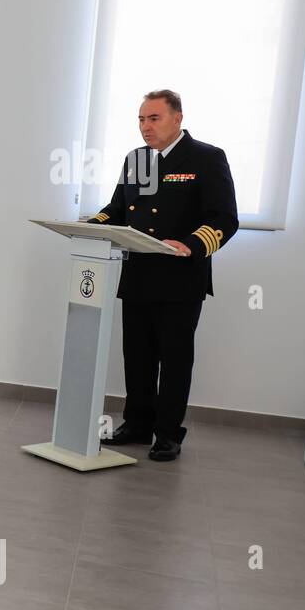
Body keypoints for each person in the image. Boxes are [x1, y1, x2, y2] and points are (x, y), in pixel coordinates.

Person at [93, 89, 238, 461]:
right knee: (137, 356)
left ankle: (168, 433)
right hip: (139, 274)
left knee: (174, 359)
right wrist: (92, 225)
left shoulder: (206, 157)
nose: (145, 127)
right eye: (140, 119)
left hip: (179, 277)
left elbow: (224, 217)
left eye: (153, 118)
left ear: (177, 118)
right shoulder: (136, 159)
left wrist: (194, 243)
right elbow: (118, 208)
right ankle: (138, 424)